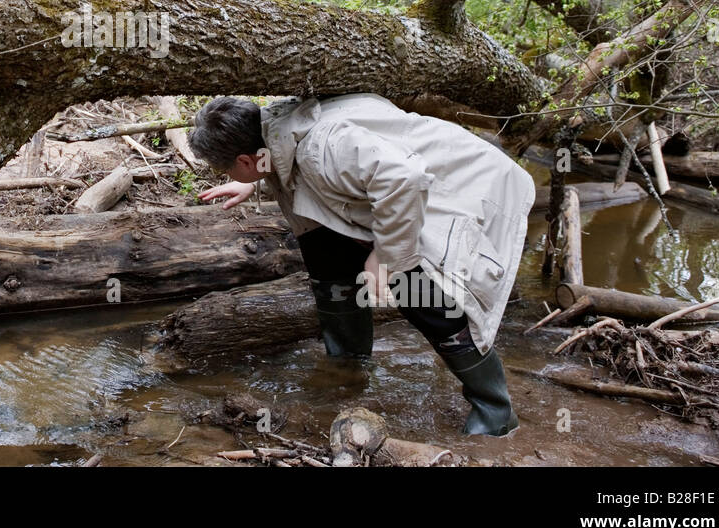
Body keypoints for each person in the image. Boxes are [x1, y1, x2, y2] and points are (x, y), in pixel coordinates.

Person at [191, 93, 535, 436]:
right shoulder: (275, 130)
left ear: (245, 160)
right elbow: (276, 154)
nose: (224, 174)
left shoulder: (324, 147)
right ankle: (347, 370)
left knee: (418, 291)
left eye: (225, 169)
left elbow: (405, 180)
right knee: (324, 253)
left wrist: (385, 256)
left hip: (459, 187)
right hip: (397, 191)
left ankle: (496, 413)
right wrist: (252, 181)